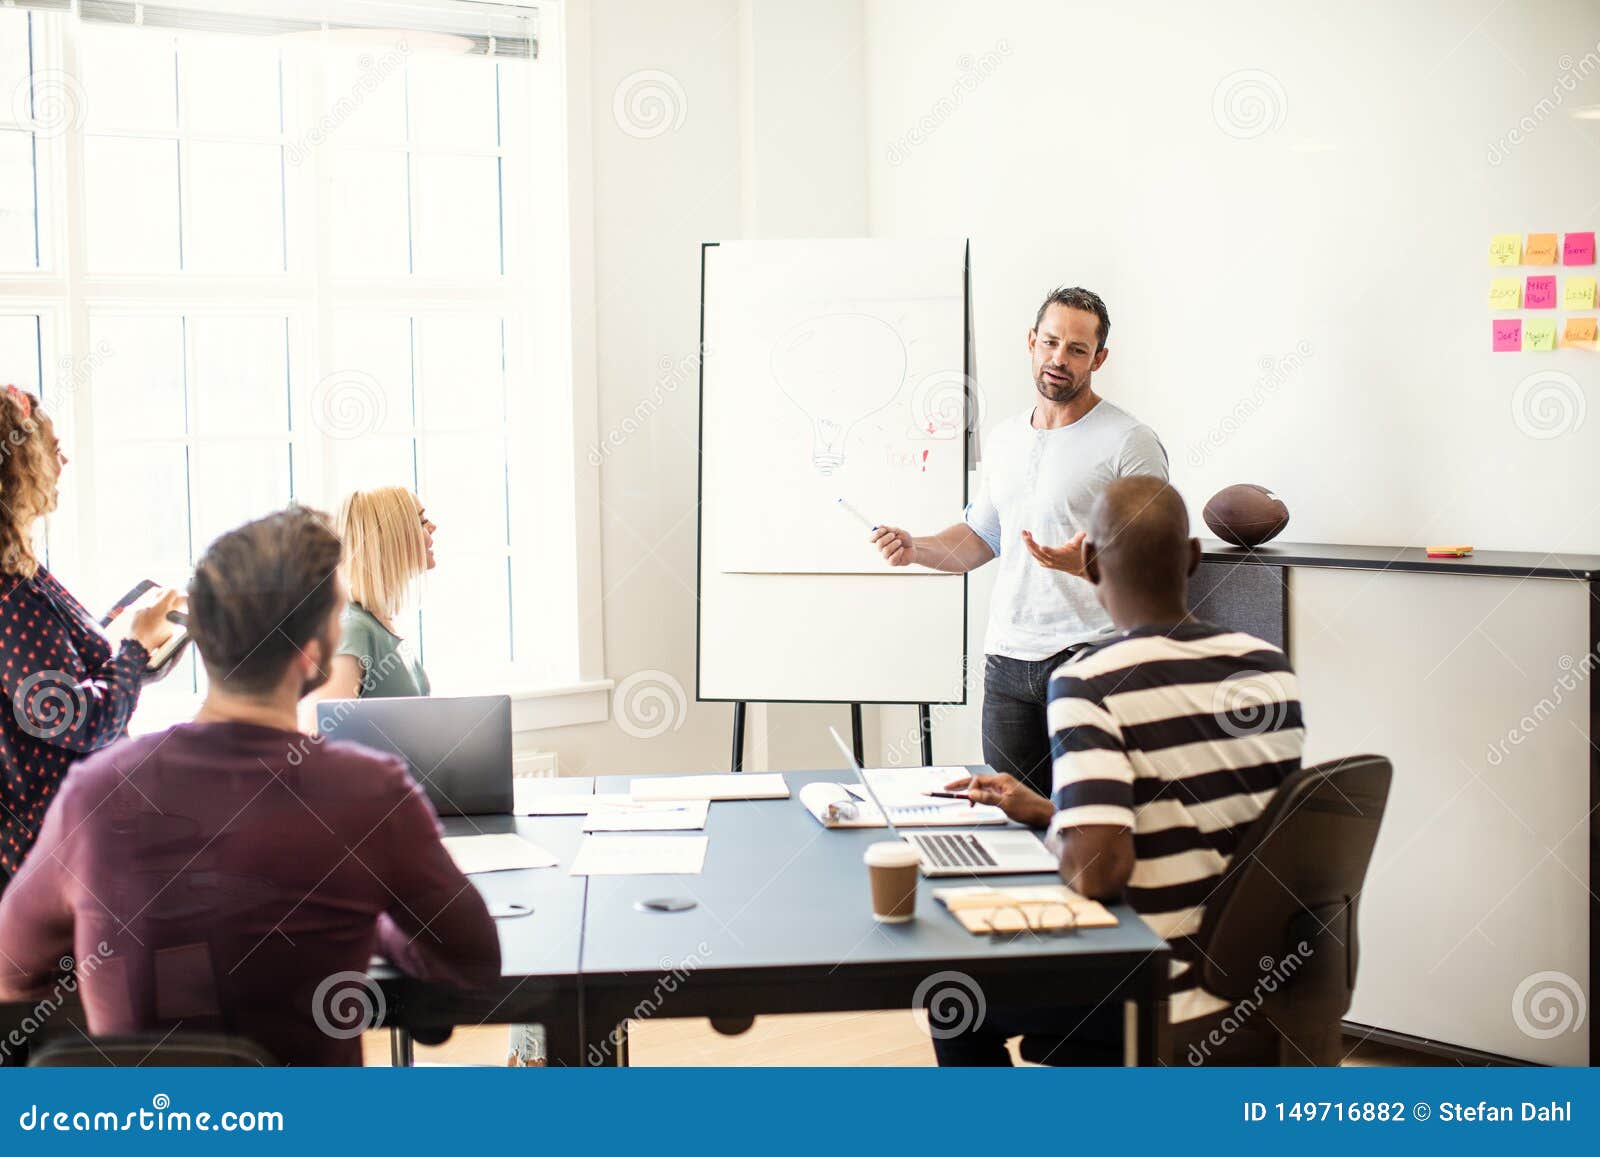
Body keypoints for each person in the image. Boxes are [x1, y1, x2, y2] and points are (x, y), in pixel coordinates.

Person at [0, 507, 500, 1065]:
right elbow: (472, 960)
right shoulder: (371, 793)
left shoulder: (95, 793)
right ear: (315, 651)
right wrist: (374, 923)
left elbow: (13, 969)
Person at [932, 477, 1305, 1065]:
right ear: (1191, 559)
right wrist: (1054, 810)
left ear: (1088, 562)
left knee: (952, 996)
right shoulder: (1266, 669)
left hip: (1153, 984)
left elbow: (1097, 875)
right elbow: (1198, 817)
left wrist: (1061, 846)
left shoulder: (1090, 680)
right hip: (1256, 984)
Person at [870, 287, 1168, 797]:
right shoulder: (1006, 438)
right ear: (1031, 341)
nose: (1059, 359)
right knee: (1013, 819)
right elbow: (981, 538)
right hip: (1008, 667)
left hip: (1090, 659)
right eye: (1050, 342)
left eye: (1077, 349)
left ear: (1099, 358)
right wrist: (915, 547)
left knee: (1090, 819)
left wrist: (1091, 562)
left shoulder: (1128, 440)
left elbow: (1158, 567)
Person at [0, 384, 181, 888]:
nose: (64, 460)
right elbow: (72, 716)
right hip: (49, 853)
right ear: (20, 465)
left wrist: (132, 651)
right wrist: (135, 647)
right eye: (51, 449)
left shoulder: (24, 572)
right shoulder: (8, 587)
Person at [305, 486, 435, 702]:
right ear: (392, 538)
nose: (433, 527)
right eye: (421, 522)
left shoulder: (379, 624)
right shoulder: (354, 628)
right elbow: (319, 729)